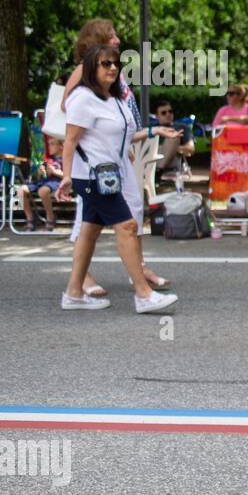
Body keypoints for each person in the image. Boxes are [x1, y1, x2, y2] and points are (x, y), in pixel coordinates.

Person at [55, 45, 178, 313]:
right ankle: (143, 294)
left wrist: (155, 130)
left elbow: (122, 135)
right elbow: (71, 139)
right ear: (91, 68)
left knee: (89, 232)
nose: (112, 67)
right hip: (91, 177)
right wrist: (65, 176)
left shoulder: (113, 100)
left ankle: (74, 293)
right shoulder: (82, 98)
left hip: (109, 175)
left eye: (115, 64)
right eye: (105, 63)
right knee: (127, 227)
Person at [20, 135, 62, 231]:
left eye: (52, 144)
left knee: (43, 191)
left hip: (58, 181)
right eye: (49, 144)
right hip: (44, 181)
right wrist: (41, 171)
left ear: (61, 146)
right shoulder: (49, 159)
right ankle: (30, 218)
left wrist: (55, 172)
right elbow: (40, 174)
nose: (49, 147)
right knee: (20, 190)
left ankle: (50, 217)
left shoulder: (66, 159)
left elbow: (68, 176)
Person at [151, 98, 195, 181]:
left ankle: (158, 171)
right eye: (164, 113)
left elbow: (191, 149)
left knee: (173, 136)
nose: (168, 114)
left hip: (170, 164)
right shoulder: (152, 129)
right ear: (157, 116)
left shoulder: (181, 127)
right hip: (152, 157)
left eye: (170, 111)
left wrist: (173, 148)